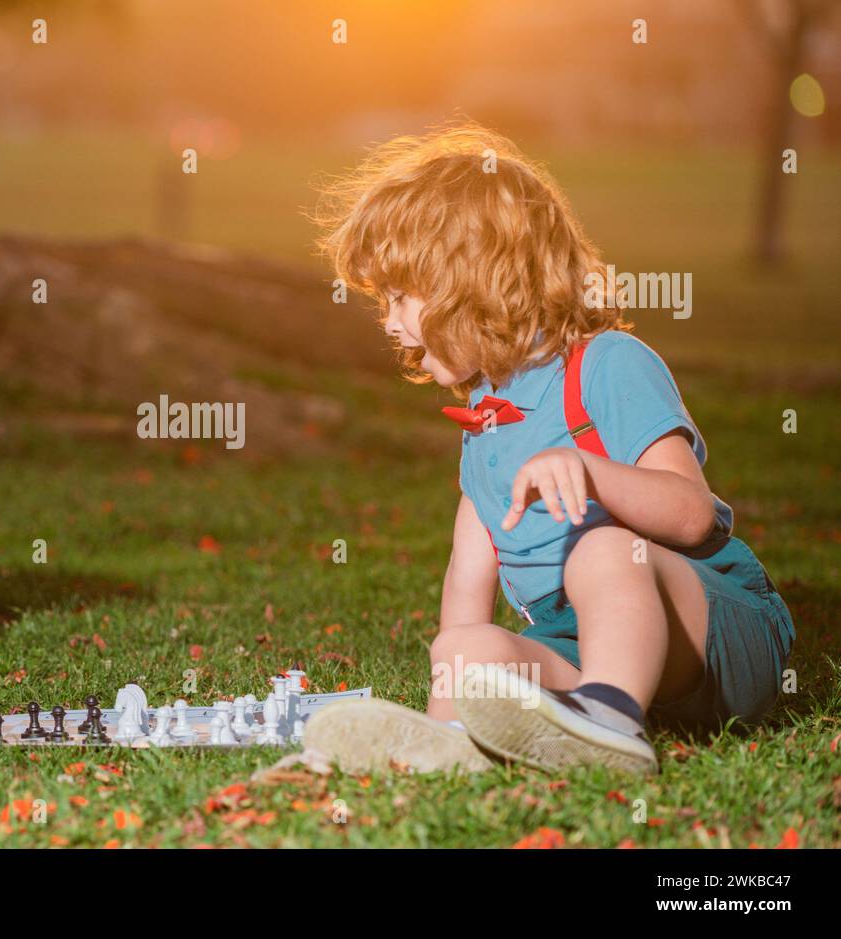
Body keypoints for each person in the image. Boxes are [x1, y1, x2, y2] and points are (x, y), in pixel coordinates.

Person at [304, 124, 794, 775]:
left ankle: (612, 717)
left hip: (714, 636)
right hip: (586, 647)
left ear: (469, 283)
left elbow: (691, 514)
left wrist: (590, 471)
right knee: (469, 644)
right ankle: (457, 748)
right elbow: (466, 583)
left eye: (399, 297)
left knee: (606, 547)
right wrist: (455, 676)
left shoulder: (605, 367)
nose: (388, 321)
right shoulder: (484, 424)